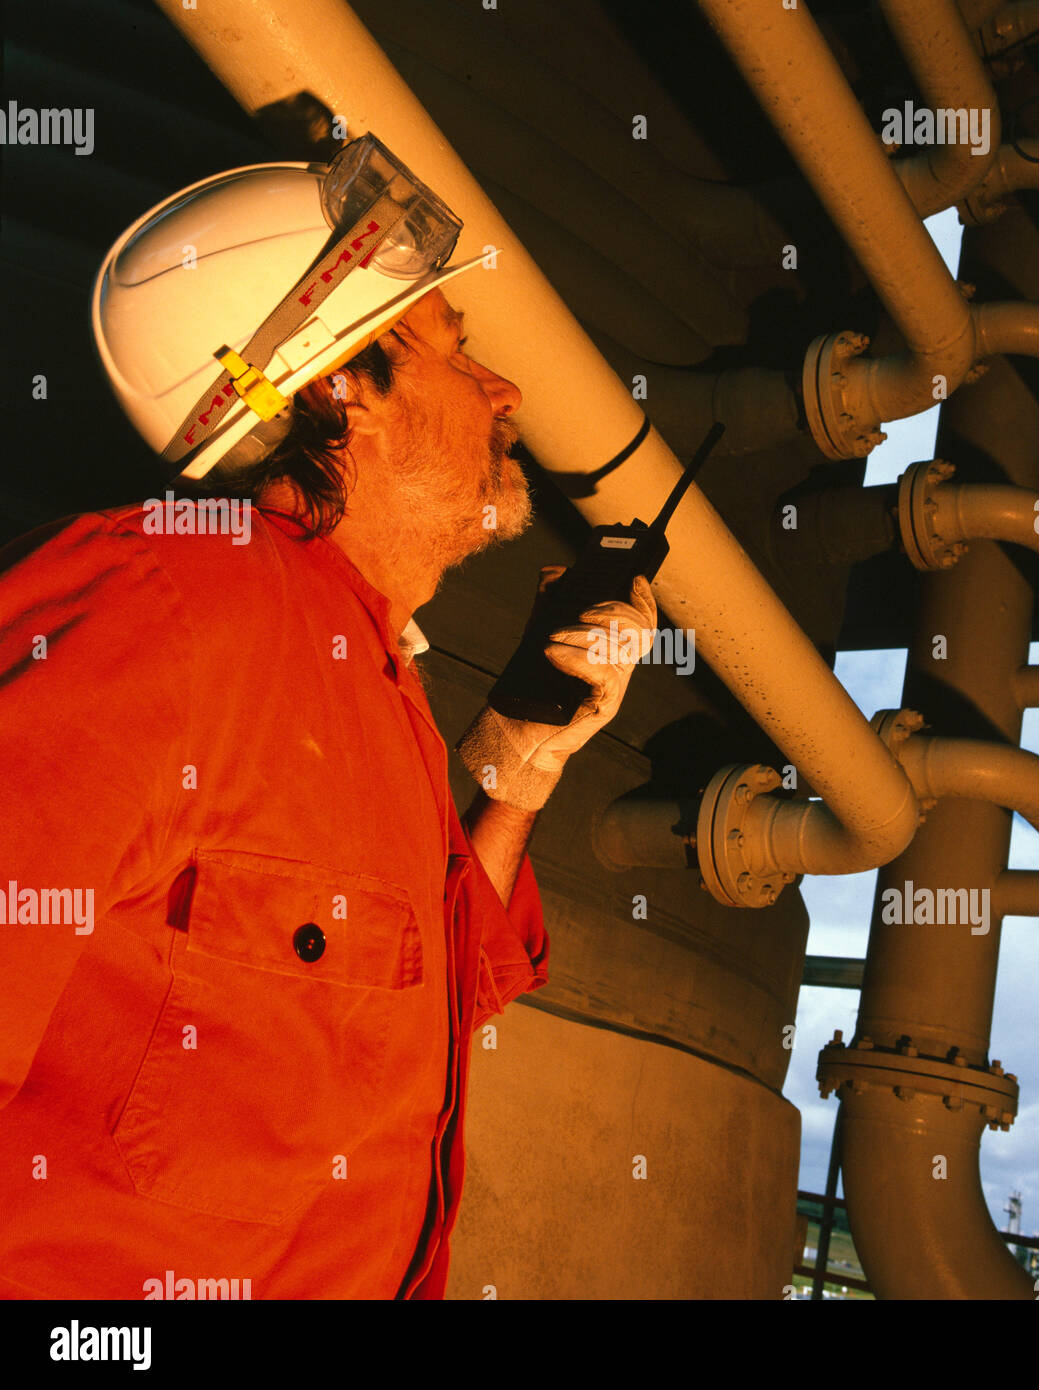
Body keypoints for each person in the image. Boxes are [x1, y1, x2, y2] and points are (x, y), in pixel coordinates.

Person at [0, 134, 656, 1299]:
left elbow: (407, 1015)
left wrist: (518, 770)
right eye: (458, 352)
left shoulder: (372, 679)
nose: (505, 392)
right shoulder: (166, 604)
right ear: (340, 392)